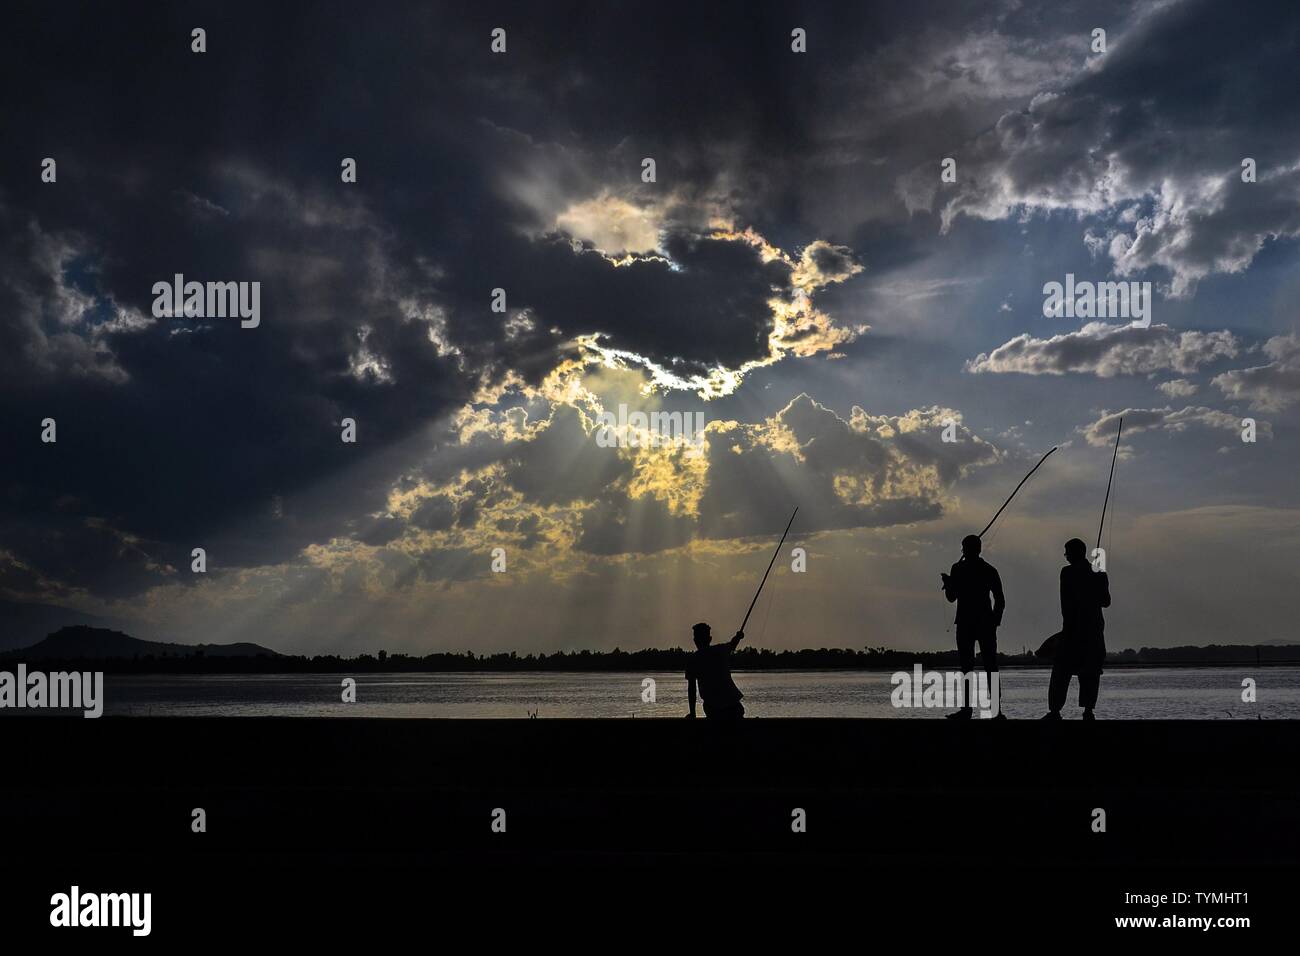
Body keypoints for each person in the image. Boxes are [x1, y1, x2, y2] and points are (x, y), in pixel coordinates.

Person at [1043, 538, 1111, 720]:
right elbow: (1106, 601)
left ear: (1073, 553)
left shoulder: (1067, 573)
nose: (1066, 556)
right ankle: (1088, 712)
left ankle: (1055, 711)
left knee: (1061, 672)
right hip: (1094, 630)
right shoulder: (1099, 573)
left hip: (1072, 629)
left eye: (1067, 552)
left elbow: (1065, 603)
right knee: (1090, 672)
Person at [941, 534, 1006, 718]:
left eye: (964, 547)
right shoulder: (986, 569)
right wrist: (994, 620)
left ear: (968, 549)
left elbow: (951, 597)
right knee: (983, 667)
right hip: (977, 623)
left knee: (974, 667)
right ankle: (989, 711)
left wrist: (948, 583)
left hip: (971, 624)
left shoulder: (960, 569)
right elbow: (1000, 600)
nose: (963, 551)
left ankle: (973, 710)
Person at [686, 623, 745, 720]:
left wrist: (692, 713)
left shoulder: (692, 660)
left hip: (713, 710)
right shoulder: (720, 651)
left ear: (695, 640)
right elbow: (733, 644)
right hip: (733, 707)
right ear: (710, 639)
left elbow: (691, 689)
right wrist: (738, 636)